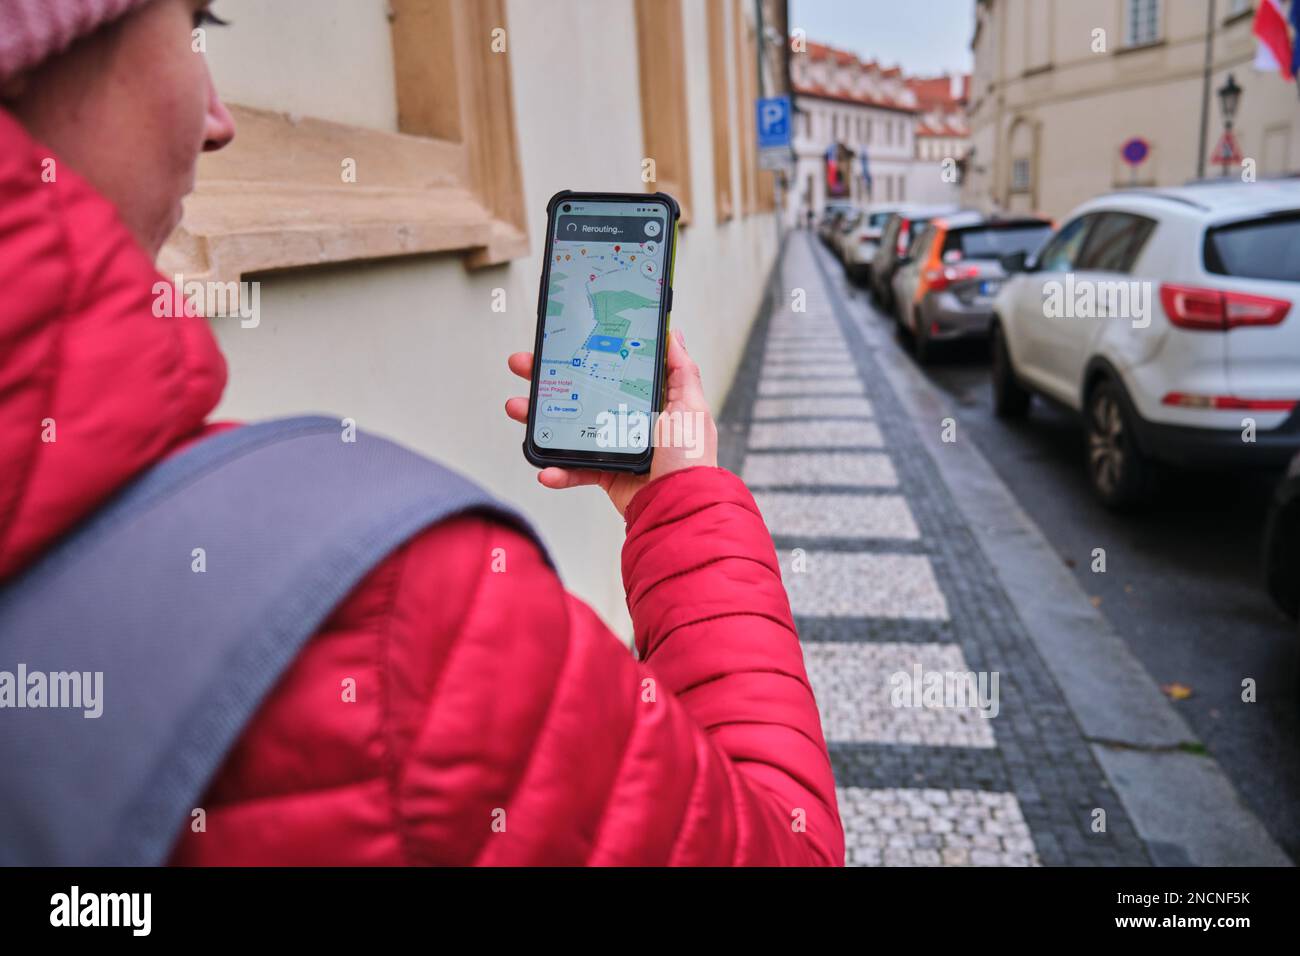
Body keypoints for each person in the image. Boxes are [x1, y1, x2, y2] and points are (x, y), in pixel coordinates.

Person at [0, 0, 843, 865]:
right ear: (28, 60)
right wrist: (684, 505)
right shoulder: (401, 622)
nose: (219, 120)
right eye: (195, 25)